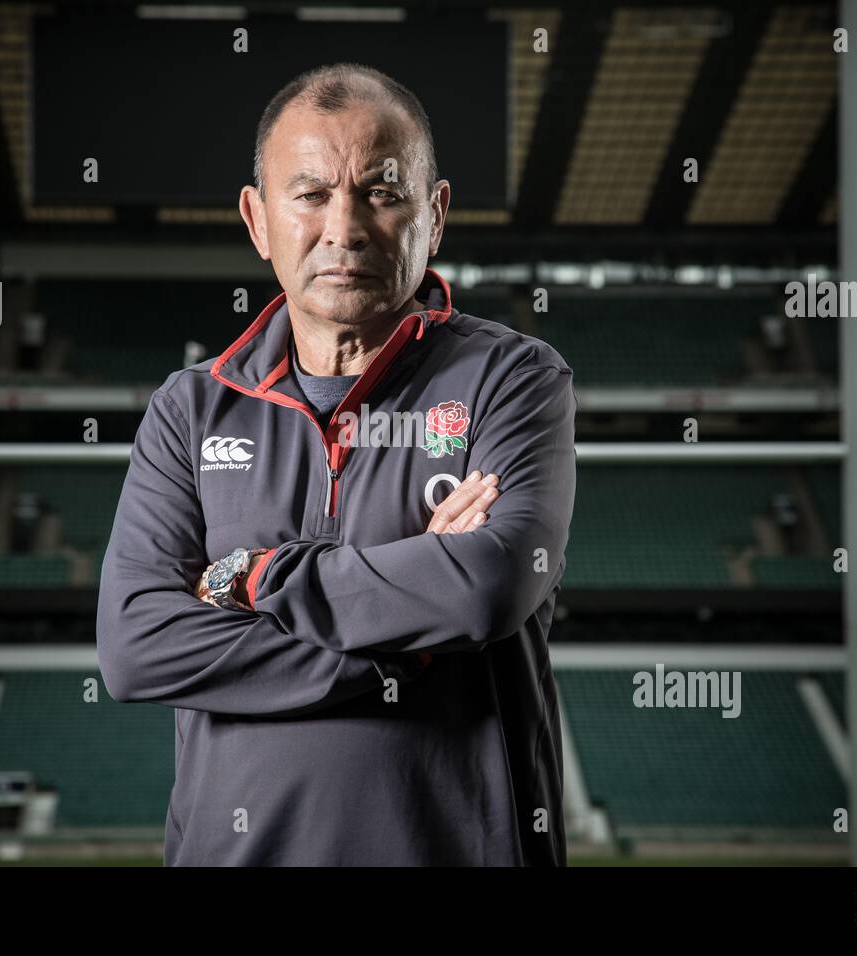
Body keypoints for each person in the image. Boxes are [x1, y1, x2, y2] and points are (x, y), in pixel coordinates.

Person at [97, 62, 576, 865]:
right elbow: (137, 646)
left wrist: (252, 580)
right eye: (311, 194)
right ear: (258, 221)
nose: (345, 228)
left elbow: (490, 584)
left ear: (436, 212)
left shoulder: (514, 379)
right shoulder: (189, 408)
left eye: (383, 194)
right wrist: (409, 637)